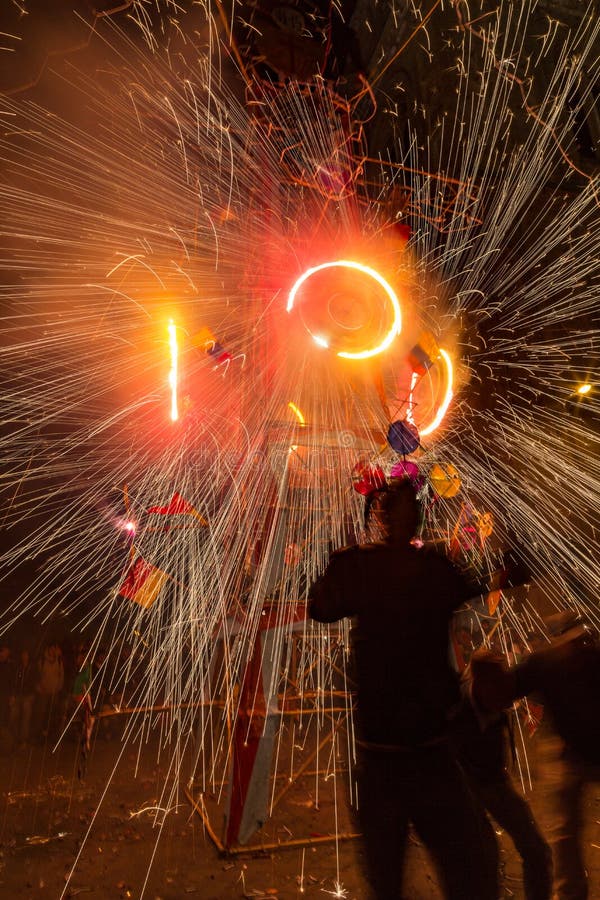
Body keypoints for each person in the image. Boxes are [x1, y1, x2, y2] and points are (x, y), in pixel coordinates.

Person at [308, 479, 498, 899]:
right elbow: (478, 582)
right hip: (430, 753)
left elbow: (319, 606)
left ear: (379, 520)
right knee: (466, 875)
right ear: (416, 520)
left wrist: (336, 555)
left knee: (388, 880)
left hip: (384, 757)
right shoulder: (433, 568)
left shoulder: (357, 567)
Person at [452, 649, 552, 899]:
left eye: (506, 688)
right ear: (480, 686)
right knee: (485, 857)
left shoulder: (502, 687)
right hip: (463, 786)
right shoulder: (455, 713)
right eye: (498, 692)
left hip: (495, 780)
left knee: (537, 851)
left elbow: (539, 672)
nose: (508, 700)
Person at [510, 622, 600, 900]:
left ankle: (569, 892)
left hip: (579, 750)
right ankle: (570, 893)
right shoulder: (546, 662)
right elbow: (506, 688)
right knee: (563, 833)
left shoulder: (558, 660)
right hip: (569, 751)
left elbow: (507, 688)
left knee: (563, 833)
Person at [9, 647, 37, 745]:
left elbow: (34, 683)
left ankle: (23, 740)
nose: (24, 656)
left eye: (26, 654)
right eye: (23, 654)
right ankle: (14, 737)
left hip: (28, 696)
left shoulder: (32, 668)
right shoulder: (18, 668)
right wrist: (13, 695)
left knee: (26, 717)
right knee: (13, 715)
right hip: (18, 695)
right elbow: (14, 682)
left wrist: (31, 695)